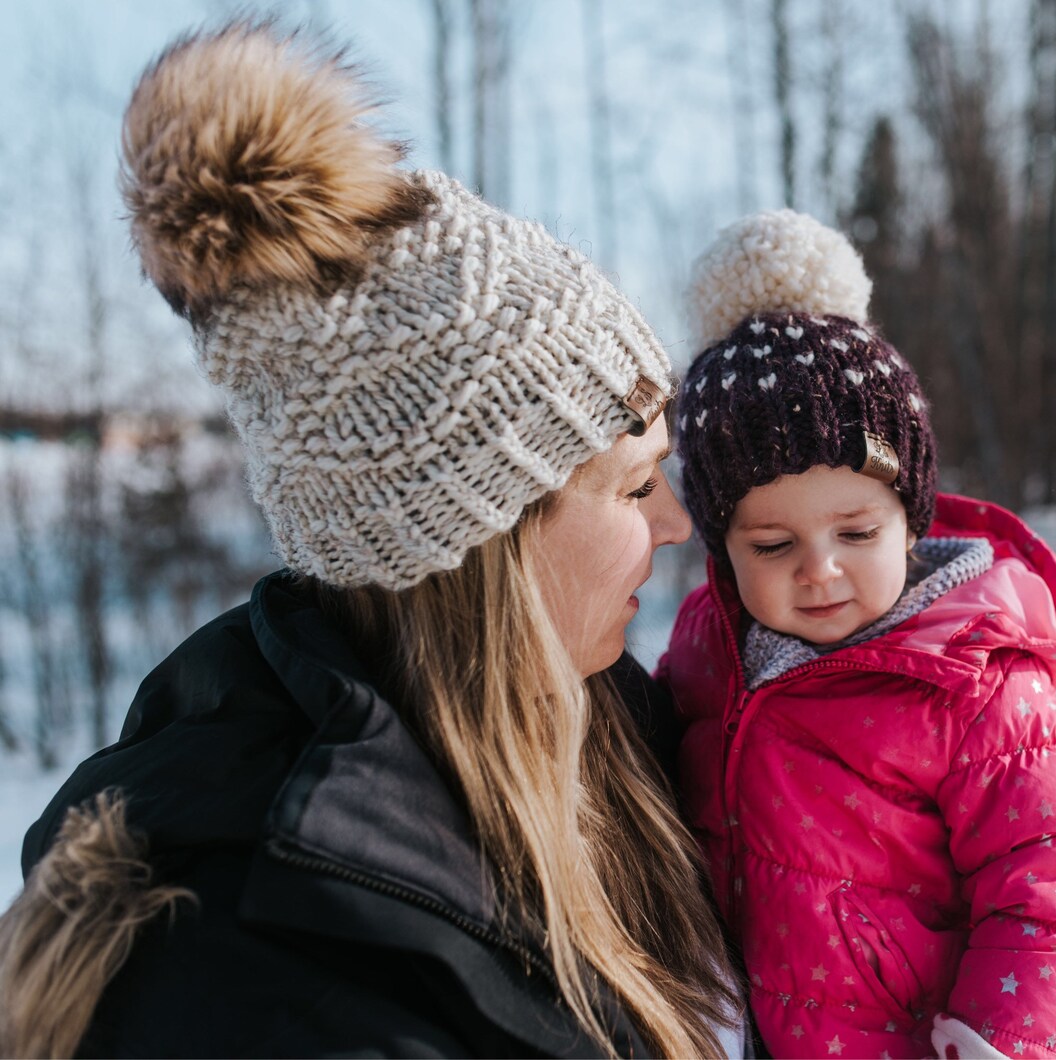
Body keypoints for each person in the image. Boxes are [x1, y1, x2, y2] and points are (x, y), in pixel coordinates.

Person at [0, 22, 741, 1059]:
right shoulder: (256, 988)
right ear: (484, 543)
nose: (673, 526)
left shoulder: (602, 743)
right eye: (631, 485)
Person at [658, 210, 1056, 1059]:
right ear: (723, 546)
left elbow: (1048, 877)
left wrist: (1001, 1036)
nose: (819, 570)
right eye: (773, 545)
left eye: (855, 535)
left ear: (910, 519)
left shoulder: (975, 682)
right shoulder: (708, 654)